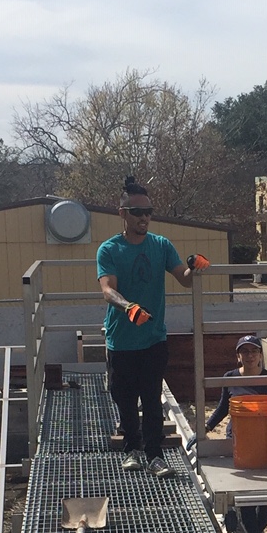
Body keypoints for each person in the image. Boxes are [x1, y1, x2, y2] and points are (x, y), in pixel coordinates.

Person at [97, 177, 204, 477]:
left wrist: (194, 266)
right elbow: (107, 289)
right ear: (122, 213)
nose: (143, 217)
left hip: (153, 338)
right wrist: (128, 307)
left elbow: (183, 276)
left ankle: (155, 456)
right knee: (125, 399)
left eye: (148, 212)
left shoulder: (161, 245)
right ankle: (133, 450)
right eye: (136, 212)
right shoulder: (109, 250)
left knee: (152, 398)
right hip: (121, 340)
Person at [206, 333, 267, 533]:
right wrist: (204, 429)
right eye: (244, 351)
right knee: (247, 490)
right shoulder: (230, 377)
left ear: (260, 355)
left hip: (266, 439)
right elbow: (224, 408)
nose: (249, 355)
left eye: (253, 351)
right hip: (240, 440)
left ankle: (258, 529)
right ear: (238, 357)